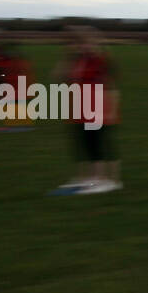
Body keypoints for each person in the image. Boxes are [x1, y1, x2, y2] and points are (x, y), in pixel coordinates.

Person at [51, 27, 122, 195]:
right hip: (79, 107)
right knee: (82, 144)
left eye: (85, 43)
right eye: (78, 43)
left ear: (95, 43)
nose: (82, 46)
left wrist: (111, 110)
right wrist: (67, 57)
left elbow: (112, 86)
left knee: (99, 144)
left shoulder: (101, 60)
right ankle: (87, 178)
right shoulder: (76, 60)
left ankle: (109, 180)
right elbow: (57, 77)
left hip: (98, 107)